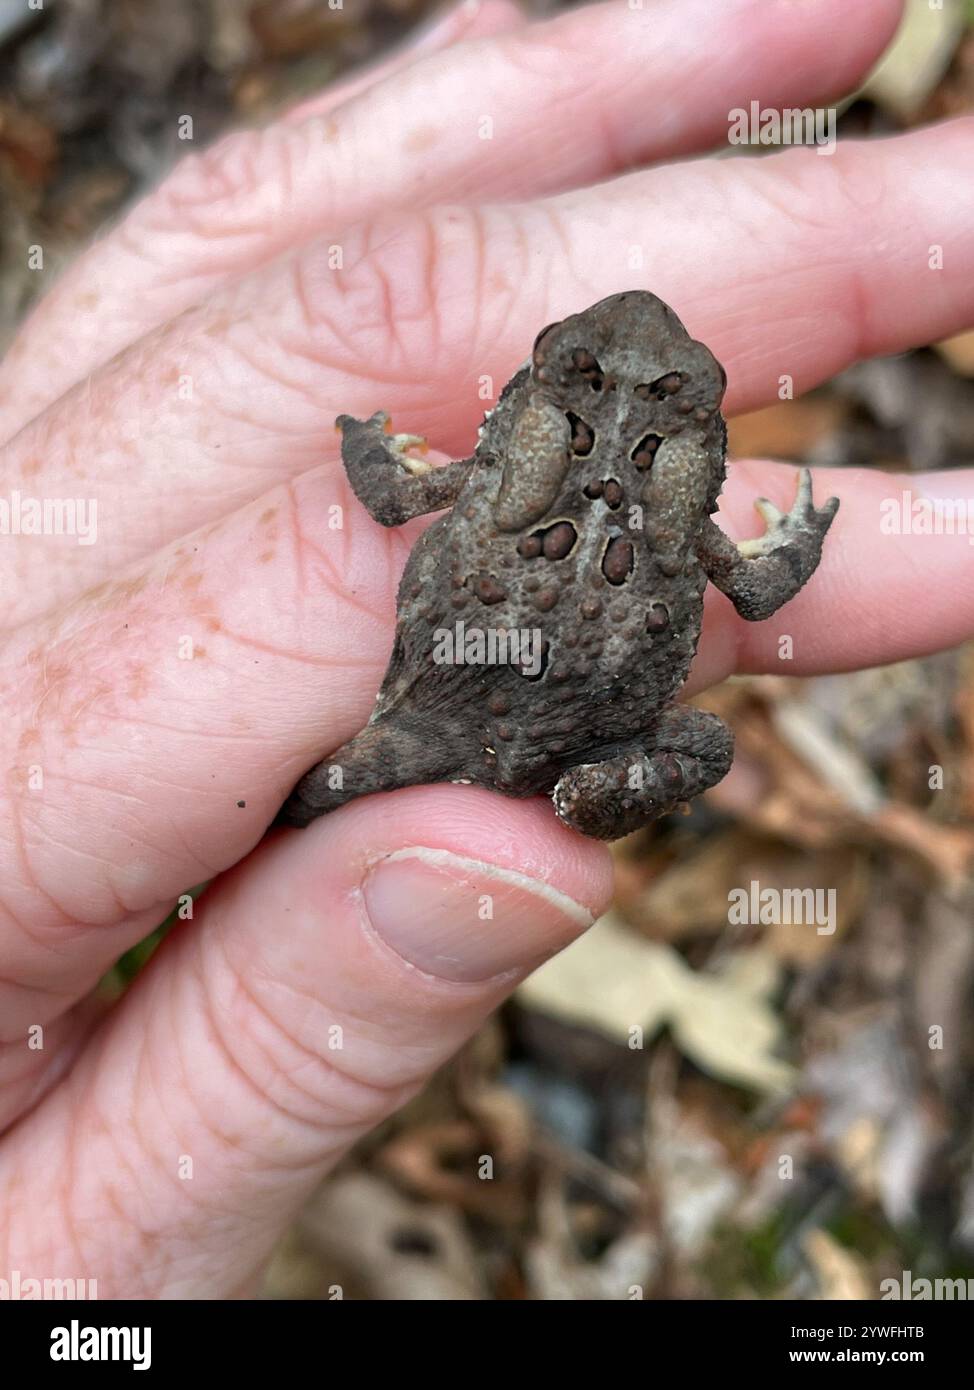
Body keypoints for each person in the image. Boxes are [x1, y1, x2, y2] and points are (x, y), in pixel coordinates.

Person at [0, 0, 970, 1297]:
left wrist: (363, 429)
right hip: (571, 750)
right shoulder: (704, 546)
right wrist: (802, 522)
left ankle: (178, 924)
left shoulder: (485, 471)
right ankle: (563, 808)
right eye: (587, 376)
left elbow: (389, 493)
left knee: (298, 798)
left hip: (421, 730)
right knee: (702, 739)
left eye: (668, 395)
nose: (628, 377)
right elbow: (774, 575)